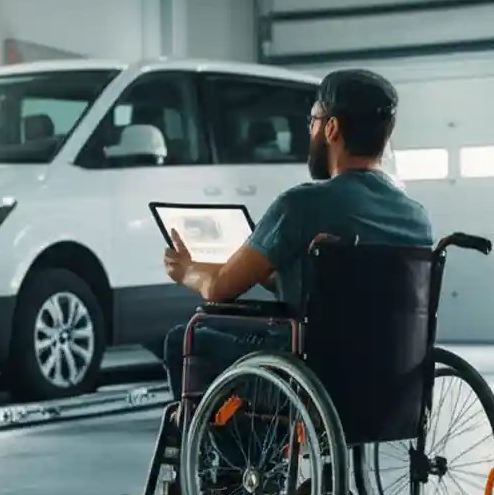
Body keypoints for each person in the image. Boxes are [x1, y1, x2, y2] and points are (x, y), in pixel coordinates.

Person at [160, 69, 435, 400]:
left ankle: (227, 434)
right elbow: (346, 291)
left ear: (331, 128)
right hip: (391, 381)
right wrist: (273, 272)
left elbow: (218, 288)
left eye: (313, 120)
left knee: (184, 338)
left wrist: (186, 270)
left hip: (311, 376)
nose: (311, 130)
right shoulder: (417, 217)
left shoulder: (301, 205)